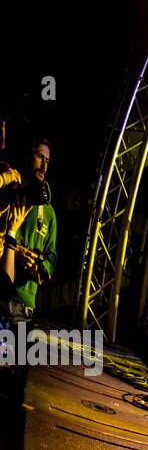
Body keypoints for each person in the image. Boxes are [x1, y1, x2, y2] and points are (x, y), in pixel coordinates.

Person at [0, 138, 57, 323]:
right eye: (40, 156)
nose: (43, 164)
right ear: (28, 157)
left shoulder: (47, 212)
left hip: (24, 302)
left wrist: (38, 266)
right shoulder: (10, 188)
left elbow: (51, 258)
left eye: (47, 161)